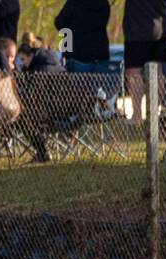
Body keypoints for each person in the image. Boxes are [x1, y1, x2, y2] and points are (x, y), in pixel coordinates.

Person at [17, 32, 66, 163]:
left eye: (23, 60)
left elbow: (31, 96)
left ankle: (42, 151)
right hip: (65, 107)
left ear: (31, 55)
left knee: (21, 118)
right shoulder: (52, 60)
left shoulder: (39, 71)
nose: (22, 64)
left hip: (52, 111)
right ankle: (42, 150)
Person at [122, 0, 166, 124]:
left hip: (138, 28)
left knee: (134, 73)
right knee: (157, 72)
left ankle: (137, 116)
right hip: (160, 27)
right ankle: (155, 114)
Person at [53, 0, 110, 73]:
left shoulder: (75, 2)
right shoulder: (104, 3)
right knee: (100, 83)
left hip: (77, 54)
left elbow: (59, 23)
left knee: (77, 83)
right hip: (100, 53)